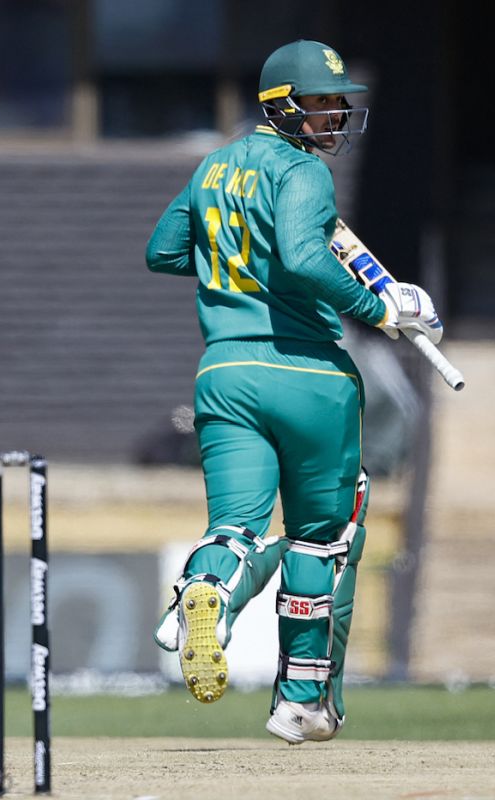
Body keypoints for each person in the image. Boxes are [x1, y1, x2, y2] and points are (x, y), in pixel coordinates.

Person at [145, 40, 443, 744]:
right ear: (281, 106)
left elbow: (162, 251)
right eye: (319, 104)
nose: (334, 116)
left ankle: (209, 594)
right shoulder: (304, 173)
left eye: (339, 104)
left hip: (224, 374)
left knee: (236, 528)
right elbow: (306, 257)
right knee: (324, 539)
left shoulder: (213, 166)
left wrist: (235, 256)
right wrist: (384, 307)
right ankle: (302, 702)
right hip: (308, 375)